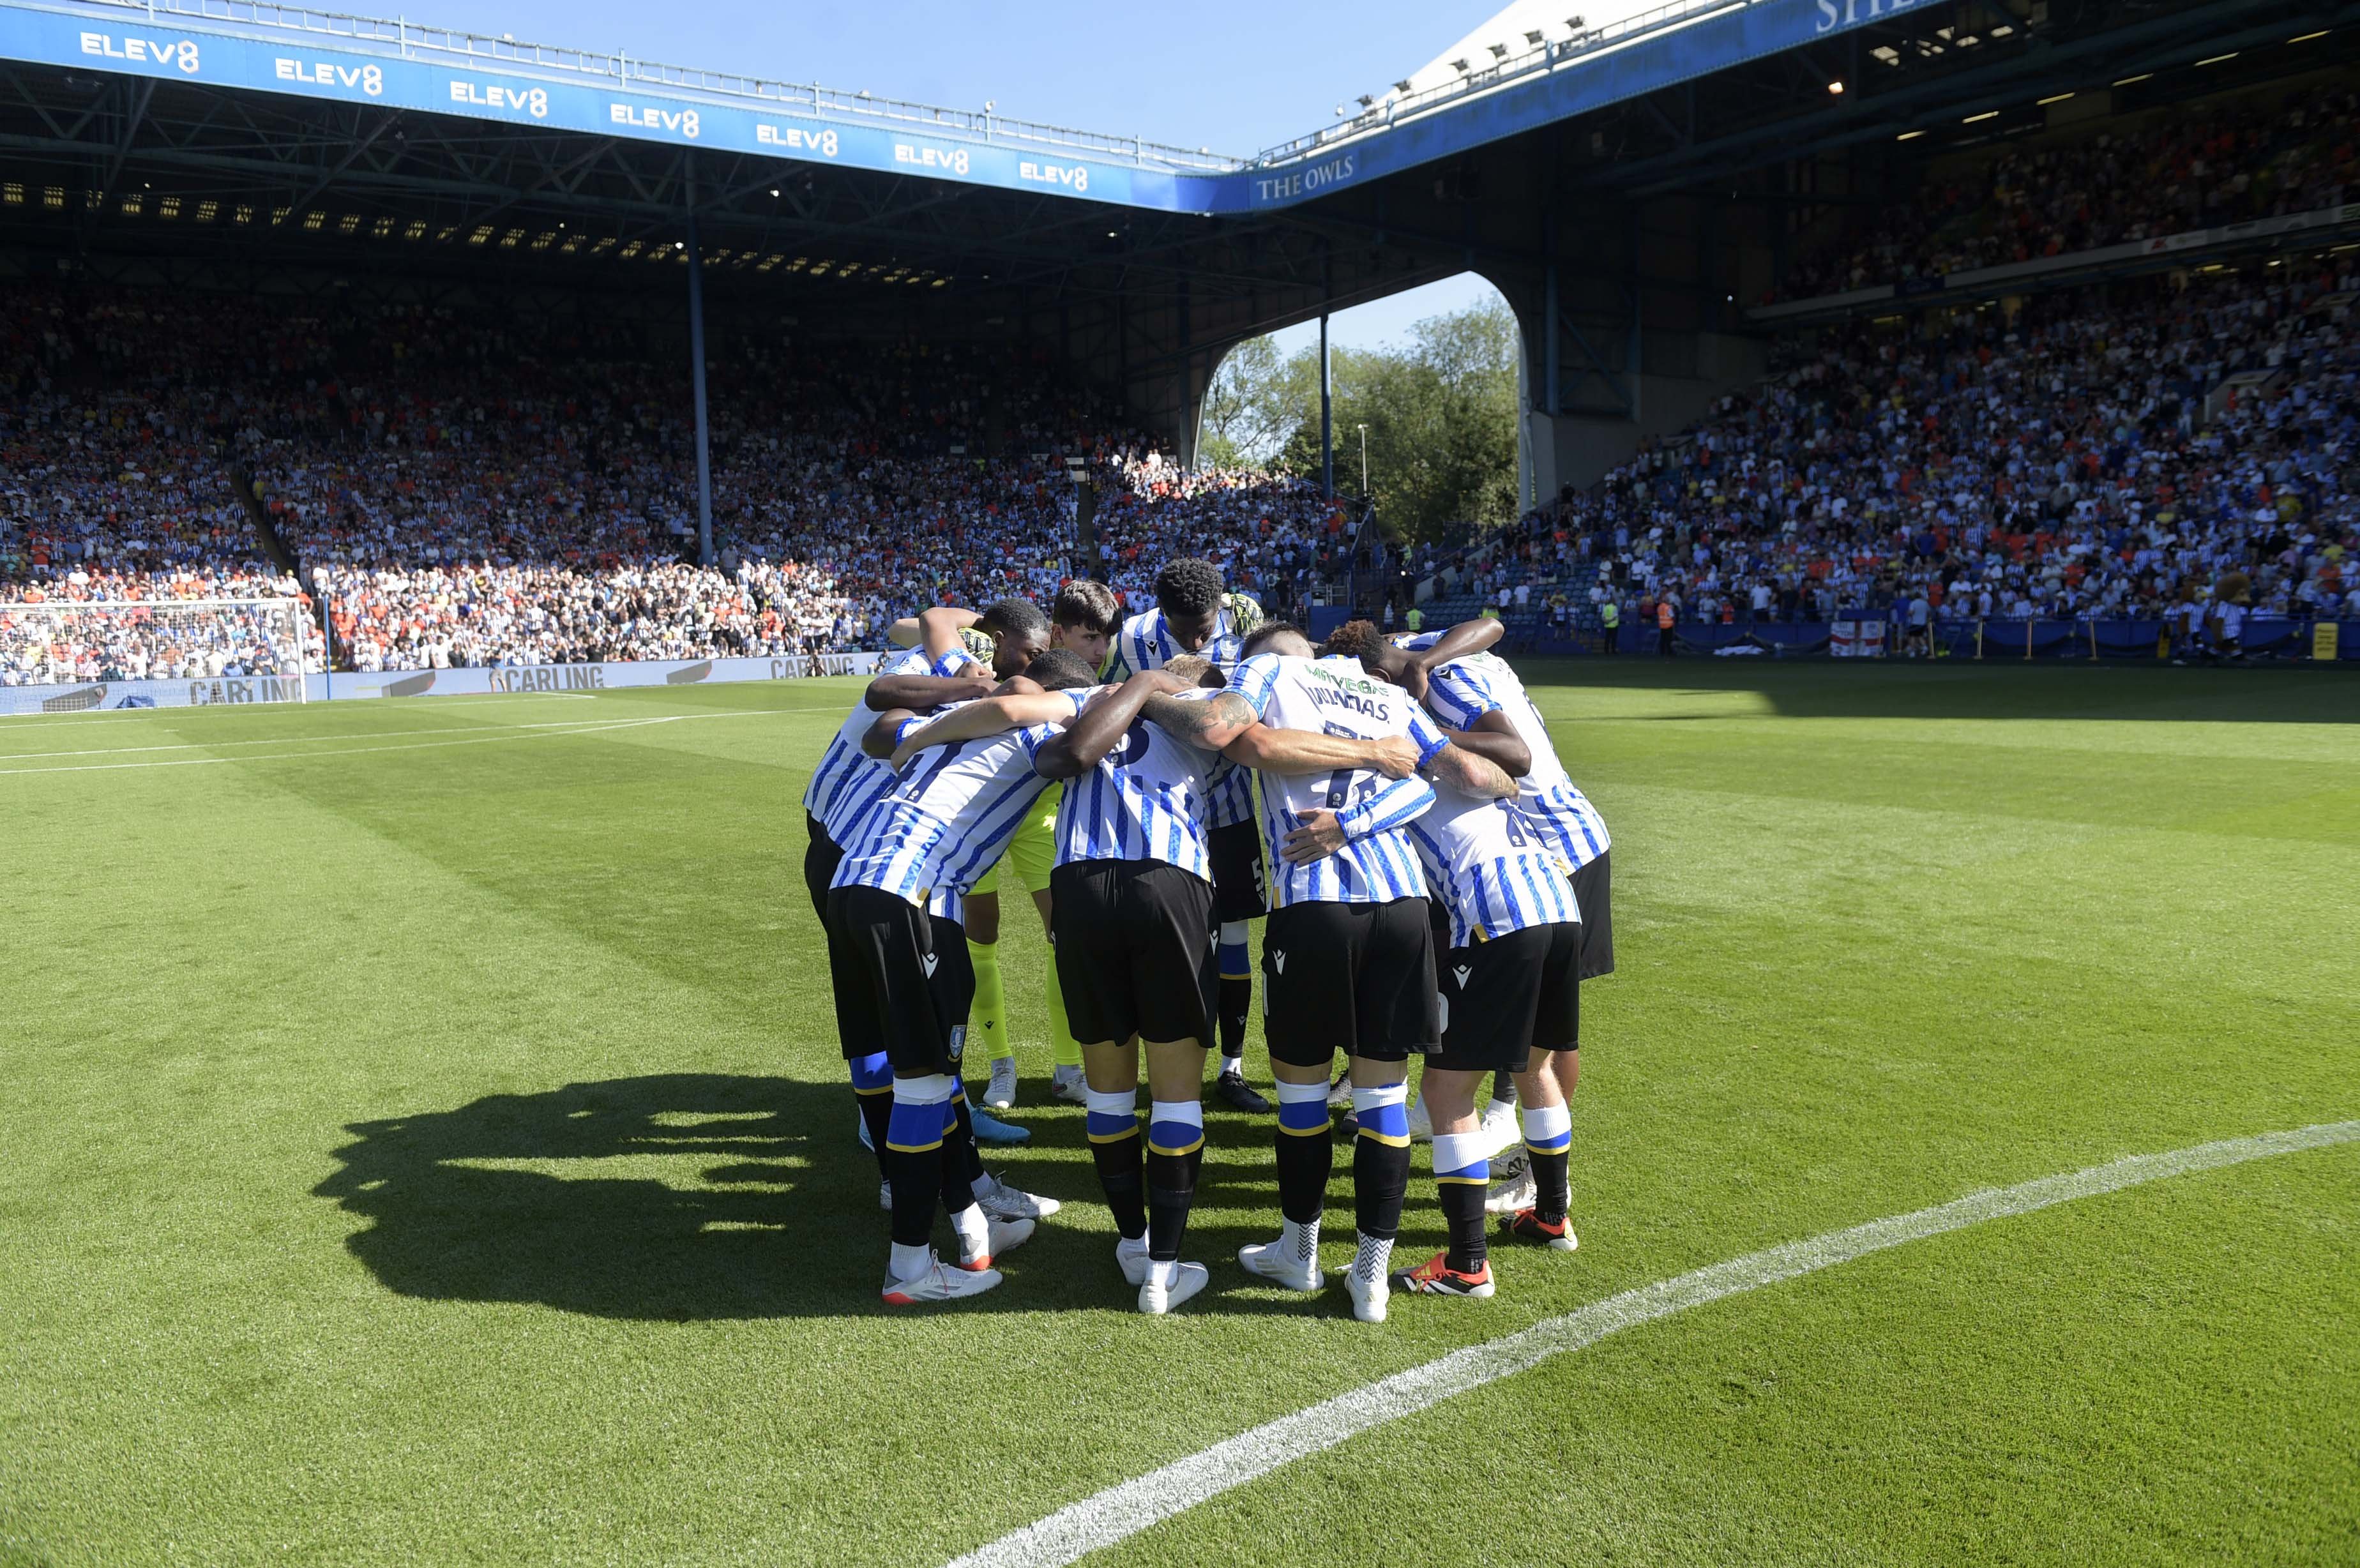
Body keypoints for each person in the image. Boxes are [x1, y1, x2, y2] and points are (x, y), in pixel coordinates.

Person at [1144, 623, 1518, 1323]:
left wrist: (1144, 689)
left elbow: (1231, 734)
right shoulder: (1380, 691)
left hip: (1316, 903)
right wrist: (1503, 785)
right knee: (1382, 1099)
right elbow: (1438, 778)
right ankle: (1371, 1276)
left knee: (1302, 1095)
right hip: (1403, 906)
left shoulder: (1267, 674)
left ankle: (1301, 1250)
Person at [828, 646, 1100, 1304]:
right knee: (924, 1086)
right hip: (915, 896)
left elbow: (876, 730)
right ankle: (910, 1269)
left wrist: (926, 725)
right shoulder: (1045, 715)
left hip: (854, 887)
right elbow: (1016, 708)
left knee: (935, 1076)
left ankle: (975, 1228)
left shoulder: (956, 714)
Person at [1327, 619, 1584, 1299]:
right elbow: (1504, 773)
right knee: (1533, 1063)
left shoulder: (1399, 733)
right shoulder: (1427, 722)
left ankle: (1468, 1262)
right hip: (1555, 896)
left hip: (1498, 912)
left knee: (1444, 1091)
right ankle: (1553, 1216)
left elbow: (1454, 777)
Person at [1375, 621, 1614, 1249]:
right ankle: (1550, 1206)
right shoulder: (1452, 661)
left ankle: (1470, 1256)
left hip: (1532, 873)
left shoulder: (1421, 702)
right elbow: (1489, 626)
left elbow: (1509, 760)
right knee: (1537, 1051)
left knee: (1456, 1079)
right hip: (1547, 876)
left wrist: (1418, 738)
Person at [892, 597, 1089, 1117]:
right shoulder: (971, 662)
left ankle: (1069, 1069)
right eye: (1026, 650)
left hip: (1038, 811)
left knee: (1064, 935)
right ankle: (1001, 1063)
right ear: (1001, 641)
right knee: (981, 937)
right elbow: (907, 626)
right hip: (976, 817)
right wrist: (980, 635)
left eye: (1040, 651)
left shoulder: (1054, 660)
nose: (1033, 661)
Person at [1102, 557, 1275, 1115]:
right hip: (1165, 814)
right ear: (1161, 614)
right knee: (1178, 939)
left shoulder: (1247, 622)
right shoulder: (1131, 639)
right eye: (1185, 629)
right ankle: (1171, 1067)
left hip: (1228, 808)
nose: (1198, 637)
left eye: (1205, 625)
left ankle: (1233, 1067)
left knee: (1234, 939)